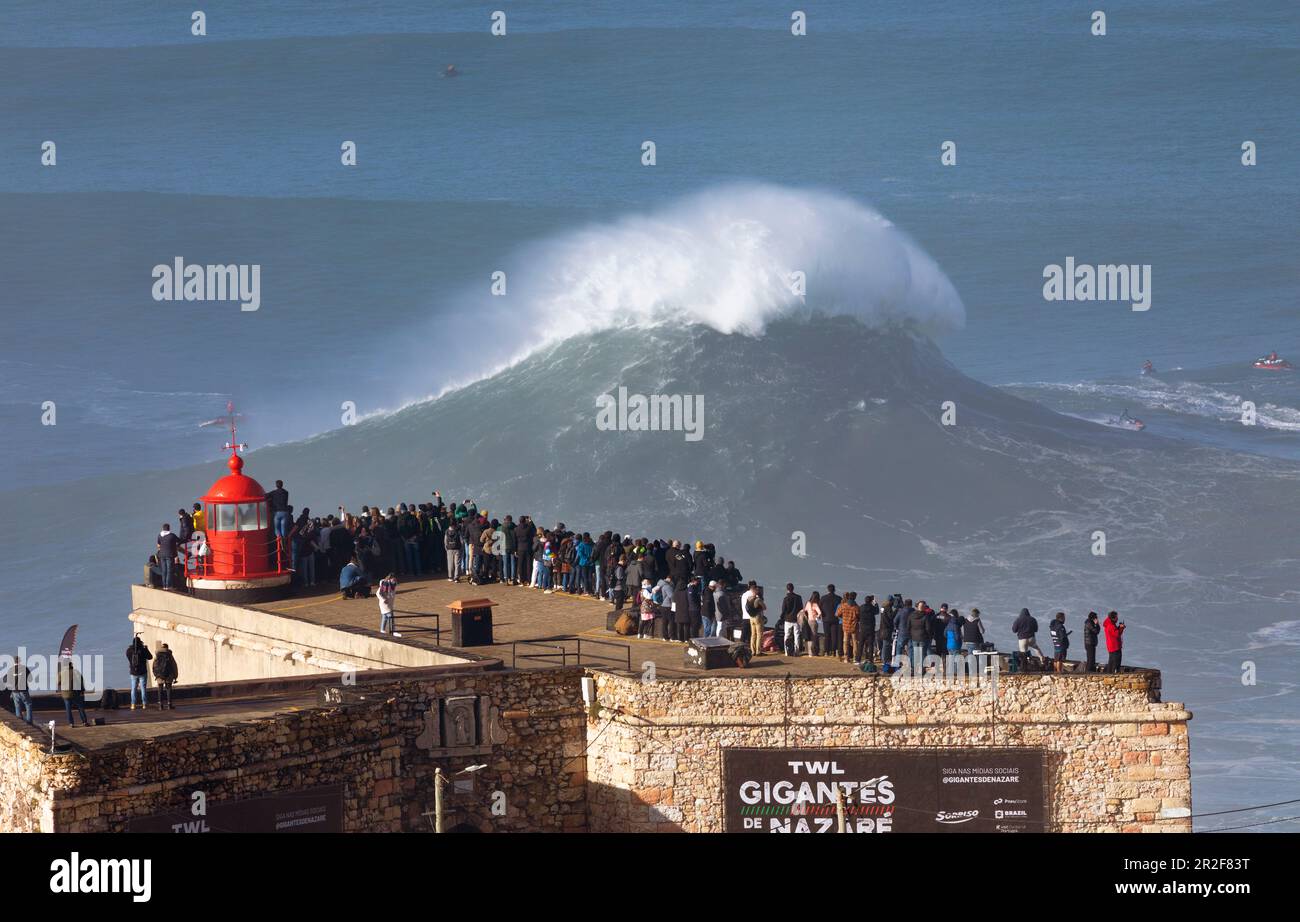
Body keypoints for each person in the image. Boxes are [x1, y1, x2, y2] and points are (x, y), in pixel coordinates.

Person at [57, 657, 89, 726]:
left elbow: (58, 683)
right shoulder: (76, 672)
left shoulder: (61, 673)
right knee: (80, 708)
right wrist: (82, 690)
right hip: (76, 693)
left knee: (68, 709)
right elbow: (81, 681)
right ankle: (84, 722)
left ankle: (71, 723)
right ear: (71, 664)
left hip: (66, 694)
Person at [126, 635, 153, 710]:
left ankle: (133, 704)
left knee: (133, 688)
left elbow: (128, 658)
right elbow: (150, 657)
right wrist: (146, 649)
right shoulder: (143, 650)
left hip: (133, 672)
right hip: (142, 672)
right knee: (143, 688)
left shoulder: (129, 650)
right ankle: (144, 704)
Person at [153, 643, 179, 709]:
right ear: (167, 648)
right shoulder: (169, 654)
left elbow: (154, 666)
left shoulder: (157, 655)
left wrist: (156, 674)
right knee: (168, 689)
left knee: (160, 689)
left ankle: (160, 705)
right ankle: (169, 704)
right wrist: (175, 676)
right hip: (169, 674)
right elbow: (174, 665)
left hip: (159, 675)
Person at [780, 583, 803, 656]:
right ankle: (796, 652)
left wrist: (781, 618)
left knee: (786, 635)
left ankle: (787, 652)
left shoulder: (785, 599)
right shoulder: (798, 597)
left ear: (787, 589)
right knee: (797, 635)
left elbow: (783, 610)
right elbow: (801, 608)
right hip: (796, 619)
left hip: (787, 619)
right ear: (793, 588)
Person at [744, 584, 767, 657]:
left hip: (751, 618)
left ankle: (752, 651)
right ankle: (758, 651)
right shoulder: (758, 599)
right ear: (755, 591)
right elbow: (764, 607)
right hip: (757, 617)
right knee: (759, 634)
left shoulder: (748, 598)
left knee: (753, 634)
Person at [9, 654, 32, 724]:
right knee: (28, 704)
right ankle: (29, 721)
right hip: (23, 690)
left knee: (17, 706)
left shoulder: (11, 670)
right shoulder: (24, 668)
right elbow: (30, 678)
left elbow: (9, 681)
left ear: (13, 662)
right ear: (19, 661)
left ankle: (19, 721)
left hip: (14, 691)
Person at [156, 523, 180, 590]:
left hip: (161, 555)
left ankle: (164, 586)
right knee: (169, 570)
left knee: (164, 571)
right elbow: (179, 540)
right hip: (169, 555)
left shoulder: (159, 535)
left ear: (163, 528)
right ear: (169, 528)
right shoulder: (172, 535)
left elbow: (158, 545)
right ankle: (169, 586)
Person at [839, 592, 861, 663]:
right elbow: (859, 616)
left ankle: (846, 658)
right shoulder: (856, 607)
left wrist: (843, 617)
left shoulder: (843, 605)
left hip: (845, 626)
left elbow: (837, 614)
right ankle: (855, 658)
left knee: (845, 642)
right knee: (855, 642)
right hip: (854, 627)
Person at [821, 584, 842, 658]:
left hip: (826, 619)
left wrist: (822, 616)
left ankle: (826, 652)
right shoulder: (839, 598)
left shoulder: (823, 598)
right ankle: (834, 651)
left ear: (828, 590)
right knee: (834, 636)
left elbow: (820, 608)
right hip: (835, 619)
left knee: (827, 636)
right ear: (834, 589)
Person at [800, 591, 823, 656]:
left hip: (808, 621)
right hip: (814, 622)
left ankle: (810, 652)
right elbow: (820, 613)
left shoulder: (808, 603)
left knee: (810, 636)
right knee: (814, 636)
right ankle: (814, 651)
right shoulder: (815, 604)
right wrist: (817, 617)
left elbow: (804, 610)